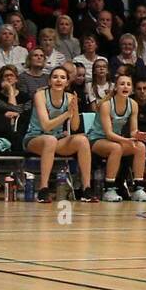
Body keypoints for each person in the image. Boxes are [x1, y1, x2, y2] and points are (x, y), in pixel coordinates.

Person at [24, 65, 95, 203]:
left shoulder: (69, 97)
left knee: (82, 140)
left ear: (67, 82)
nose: (58, 80)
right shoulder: (40, 95)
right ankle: (43, 189)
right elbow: (46, 125)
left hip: (56, 140)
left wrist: (75, 109)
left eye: (62, 77)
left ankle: (87, 188)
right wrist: (66, 114)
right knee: (50, 140)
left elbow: (74, 126)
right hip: (35, 137)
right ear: (49, 81)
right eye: (55, 77)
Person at [88, 74, 146, 202]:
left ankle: (138, 189)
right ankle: (109, 189)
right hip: (97, 139)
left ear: (131, 89)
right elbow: (108, 133)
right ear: (116, 88)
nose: (125, 87)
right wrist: (126, 140)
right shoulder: (106, 105)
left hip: (116, 139)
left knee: (140, 147)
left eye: (128, 84)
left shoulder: (133, 104)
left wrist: (136, 135)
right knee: (116, 148)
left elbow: (133, 130)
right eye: (122, 84)